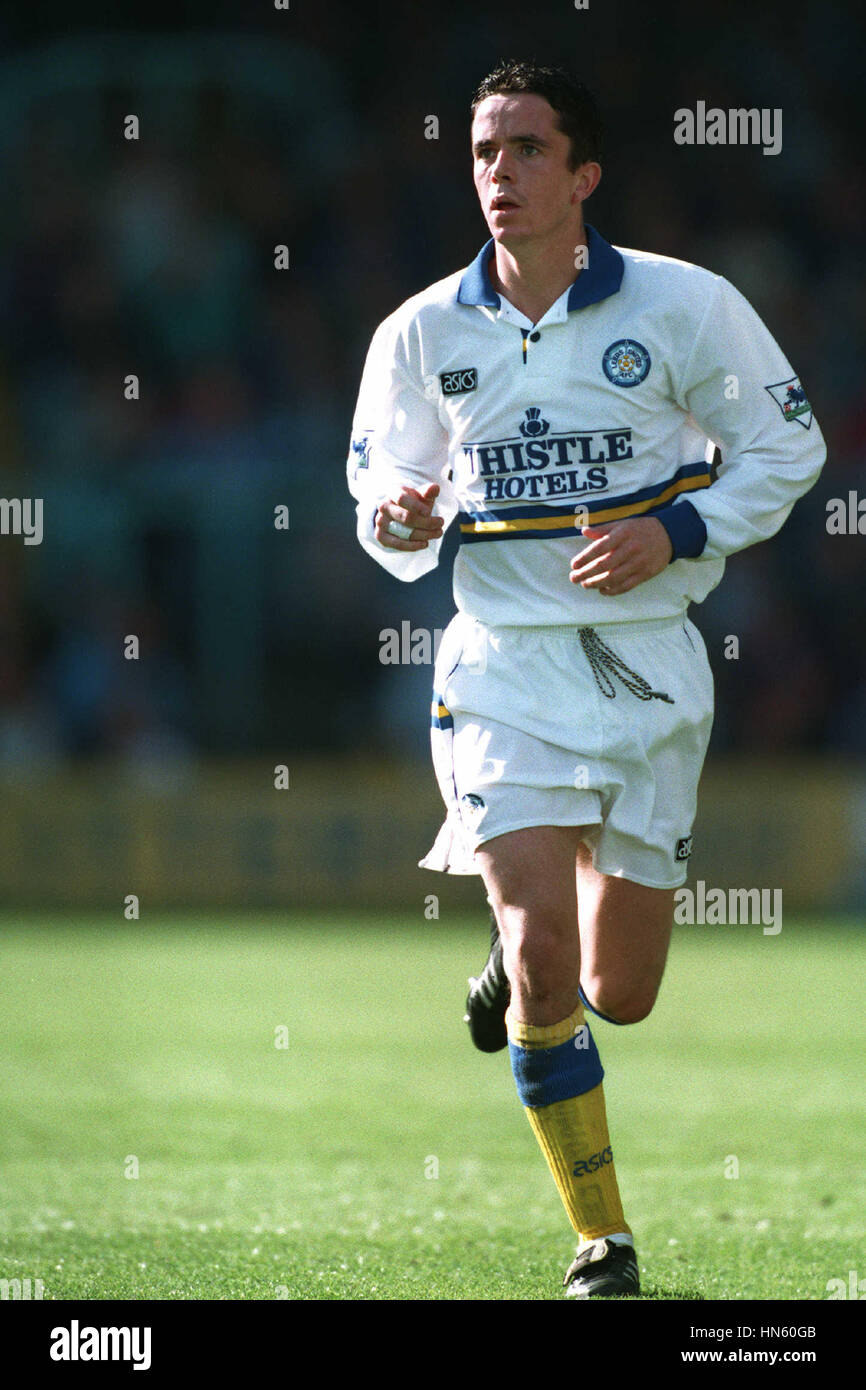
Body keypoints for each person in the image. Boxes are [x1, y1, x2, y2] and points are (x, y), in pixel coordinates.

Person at [346, 59, 825, 1298]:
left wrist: (679, 531)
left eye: (523, 150)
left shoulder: (682, 305)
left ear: (583, 174)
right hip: (500, 669)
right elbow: (379, 495)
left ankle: (523, 956)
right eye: (481, 152)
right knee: (556, 969)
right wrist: (396, 518)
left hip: (650, 674)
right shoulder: (420, 330)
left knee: (620, 991)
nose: (496, 174)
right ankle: (600, 1244)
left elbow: (787, 443)